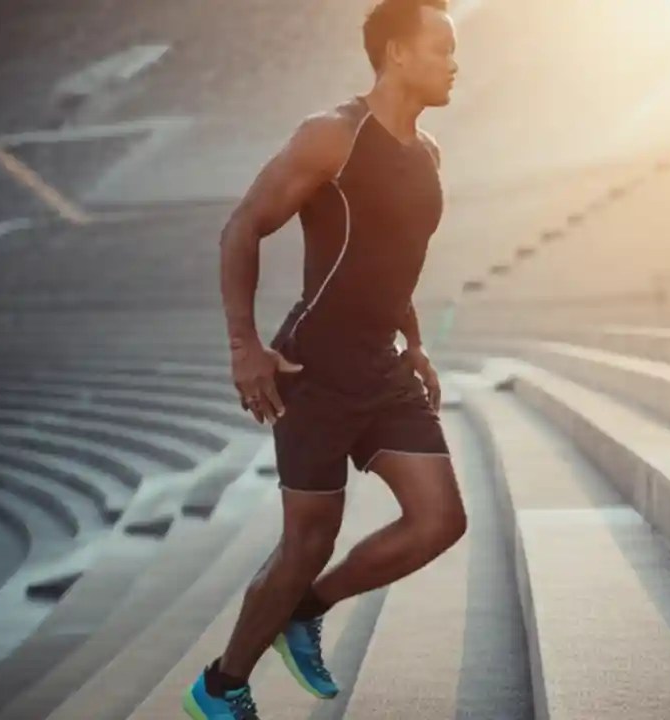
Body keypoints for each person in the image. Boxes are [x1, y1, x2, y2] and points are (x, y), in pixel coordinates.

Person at [184, 1, 463, 717]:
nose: (454, 64)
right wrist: (245, 345)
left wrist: (417, 342)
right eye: (442, 49)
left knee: (438, 521)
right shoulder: (332, 137)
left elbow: (392, 261)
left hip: (383, 366)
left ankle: (305, 610)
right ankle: (221, 688)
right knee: (308, 540)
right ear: (398, 53)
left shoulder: (428, 154)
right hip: (313, 371)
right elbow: (242, 227)